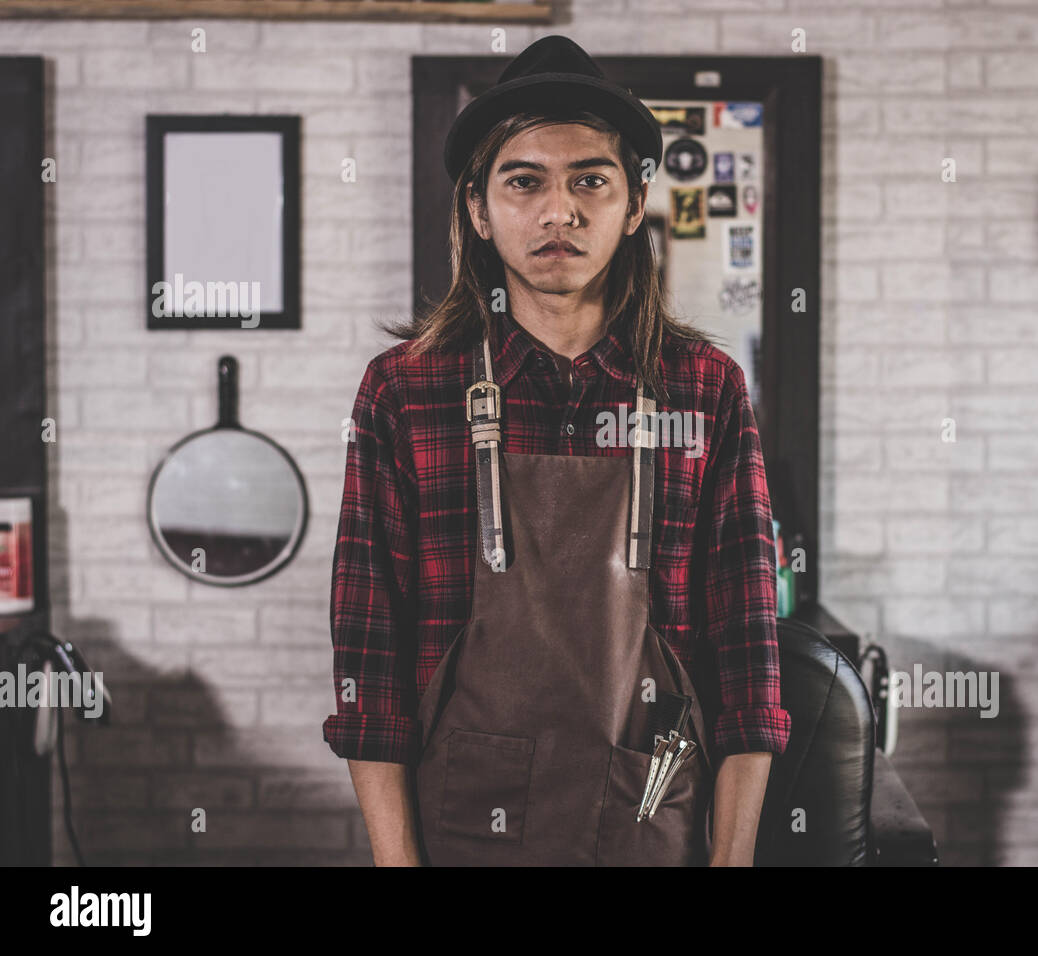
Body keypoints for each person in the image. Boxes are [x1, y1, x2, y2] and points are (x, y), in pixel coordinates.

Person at [323, 35, 790, 866]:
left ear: (634, 204)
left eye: (590, 181)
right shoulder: (406, 392)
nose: (559, 211)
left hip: (654, 819)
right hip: (461, 830)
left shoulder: (706, 391)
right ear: (478, 208)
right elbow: (370, 660)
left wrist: (733, 859)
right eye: (524, 181)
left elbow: (747, 658)